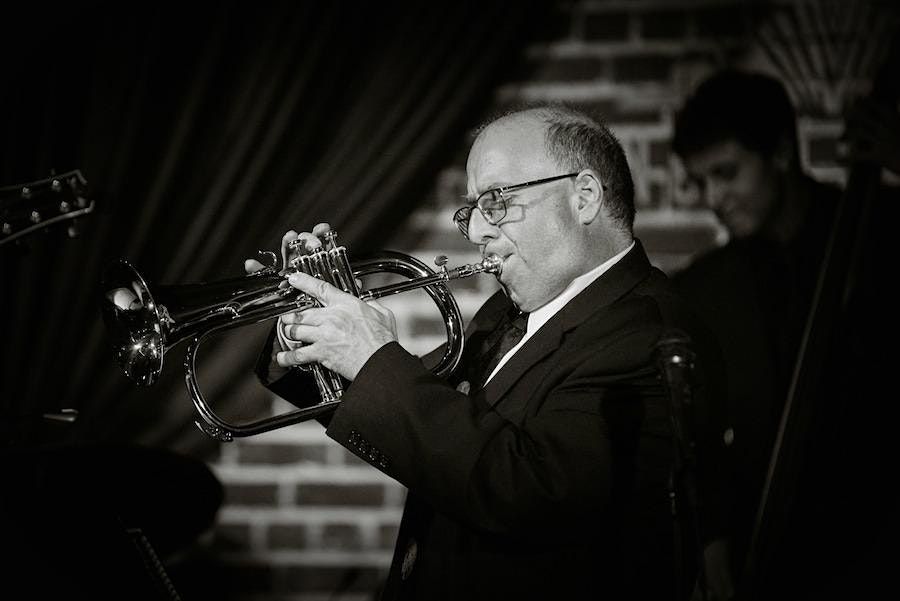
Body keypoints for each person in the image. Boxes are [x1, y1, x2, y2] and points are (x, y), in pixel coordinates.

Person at [253, 105, 732, 600]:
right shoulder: (508, 309)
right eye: (474, 210)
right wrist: (312, 333)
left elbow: (528, 490)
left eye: (497, 201)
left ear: (584, 197)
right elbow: (429, 421)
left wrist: (375, 357)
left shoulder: (650, 333)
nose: (478, 231)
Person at [671, 69, 899, 598]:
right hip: (764, 555)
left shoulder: (878, 231)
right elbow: (699, 431)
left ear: (778, 152)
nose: (714, 197)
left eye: (727, 173)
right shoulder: (704, 286)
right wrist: (712, 537)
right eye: (702, 181)